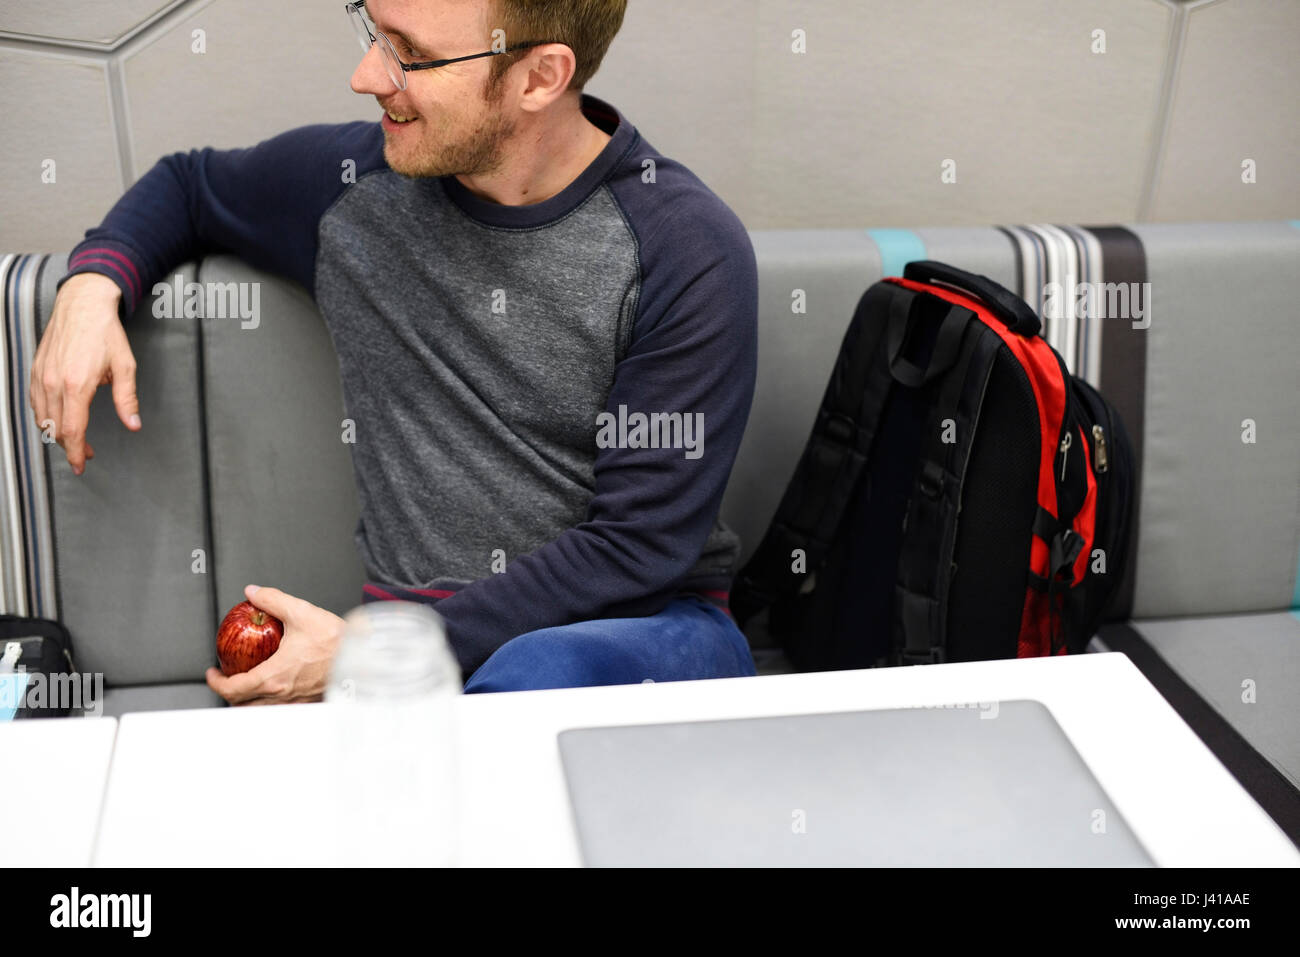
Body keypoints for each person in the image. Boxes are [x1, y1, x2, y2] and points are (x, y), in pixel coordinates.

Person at [28, 0, 758, 701]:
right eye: (374, 34)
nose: (369, 76)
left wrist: (367, 652)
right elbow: (188, 185)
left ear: (541, 76)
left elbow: (635, 550)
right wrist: (90, 288)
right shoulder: (354, 194)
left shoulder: (683, 248)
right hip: (413, 666)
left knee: (536, 672)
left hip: (642, 636)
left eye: (414, 55)